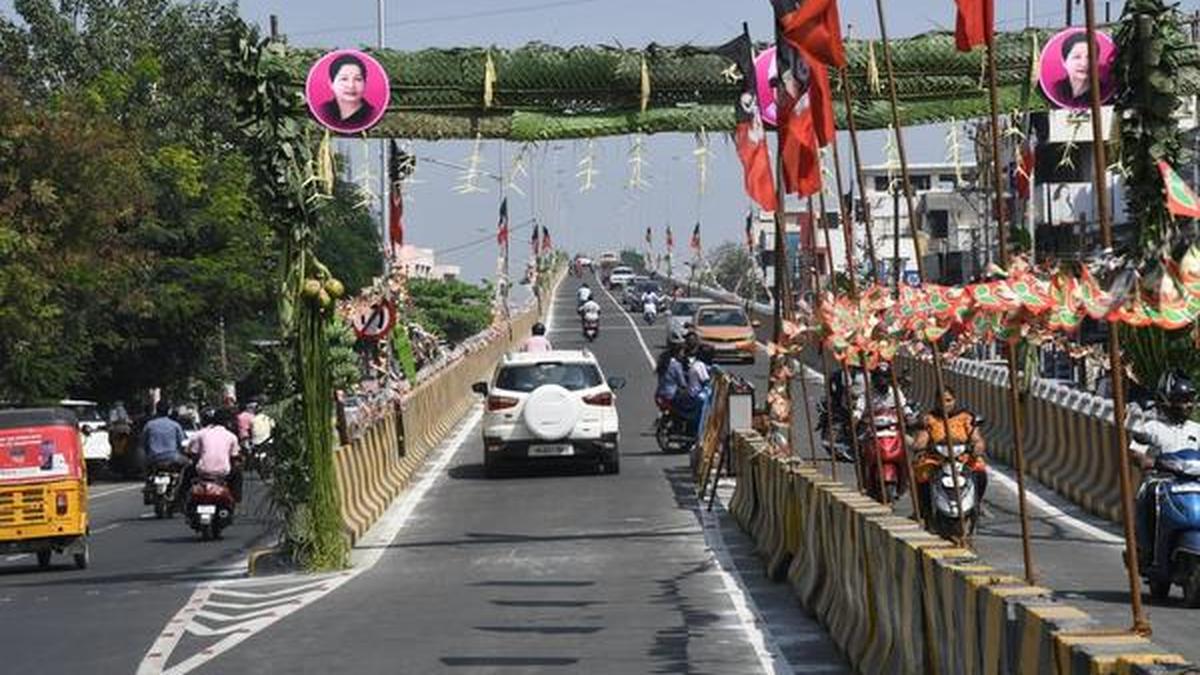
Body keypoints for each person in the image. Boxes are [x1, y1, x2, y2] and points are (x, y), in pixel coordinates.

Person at [1129, 369, 1200, 572]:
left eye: (1189, 400)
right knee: (1148, 495)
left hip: (1193, 483)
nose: (1187, 405)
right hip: (1161, 482)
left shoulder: (1196, 429)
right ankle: (1149, 551)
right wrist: (1148, 461)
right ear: (1166, 400)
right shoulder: (1151, 428)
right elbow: (1135, 451)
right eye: (1181, 400)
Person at [912, 386, 987, 515]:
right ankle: (924, 509)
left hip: (962, 457)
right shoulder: (929, 419)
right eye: (941, 401)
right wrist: (919, 446)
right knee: (921, 473)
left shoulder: (965, 417)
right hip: (937, 458)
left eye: (948, 400)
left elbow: (976, 438)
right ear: (936, 401)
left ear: (954, 400)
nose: (945, 404)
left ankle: (977, 502)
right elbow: (921, 440)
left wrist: (977, 447)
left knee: (980, 471)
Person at [186, 408, 243, 503]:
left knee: (187, 472)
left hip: (202, 472)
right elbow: (235, 456)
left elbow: (193, 453)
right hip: (223, 473)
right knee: (238, 474)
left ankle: (180, 499)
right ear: (227, 422)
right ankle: (236, 499)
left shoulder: (201, 434)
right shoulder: (231, 437)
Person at [319, 53, 377, 129]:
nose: (351, 86)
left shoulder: (373, 114)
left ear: (365, 83)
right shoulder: (323, 111)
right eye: (344, 79)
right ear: (331, 83)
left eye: (358, 79)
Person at [1052, 32, 1095, 109]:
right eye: (1077, 57)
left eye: (1089, 57)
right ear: (1064, 62)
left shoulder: (1102, 90)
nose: (1084, 63)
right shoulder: (1056, 90)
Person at [141, 401, 188, 470]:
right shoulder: (175, 425)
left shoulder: (149, 425)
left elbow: (143, 443)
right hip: (173, 457)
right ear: (168, 411)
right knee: (189, 463)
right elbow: (182, 443)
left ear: (156, 410)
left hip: (153, 458)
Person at [655, 343, 687, 411]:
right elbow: (682, 383)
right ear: (677, 353)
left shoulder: (664, 362)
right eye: (682, 352)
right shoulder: (677, 365)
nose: (683, 355)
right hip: (670, 396)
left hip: (659, 394)